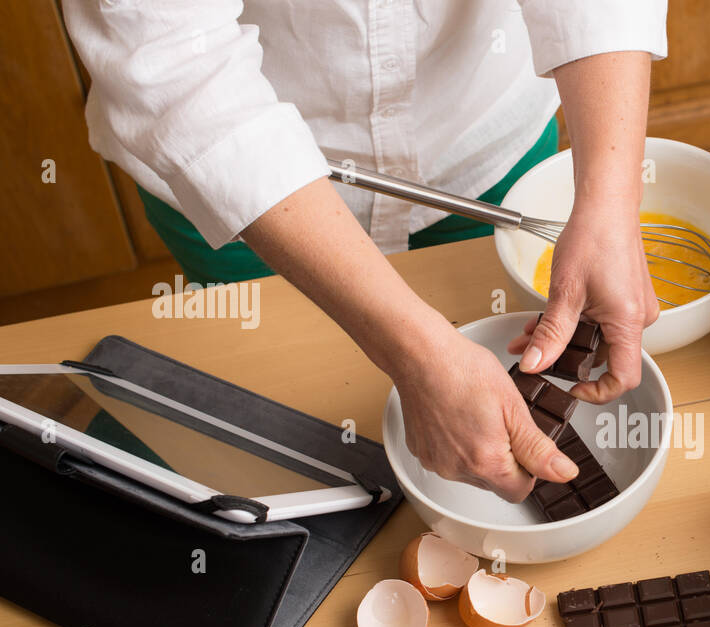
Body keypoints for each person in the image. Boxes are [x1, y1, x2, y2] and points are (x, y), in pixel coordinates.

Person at [63, 1, 667, 501]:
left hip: (482, 145)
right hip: (246, 196)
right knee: (264, 435)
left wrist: (610, 202)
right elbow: (169, 58)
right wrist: (415, 354)